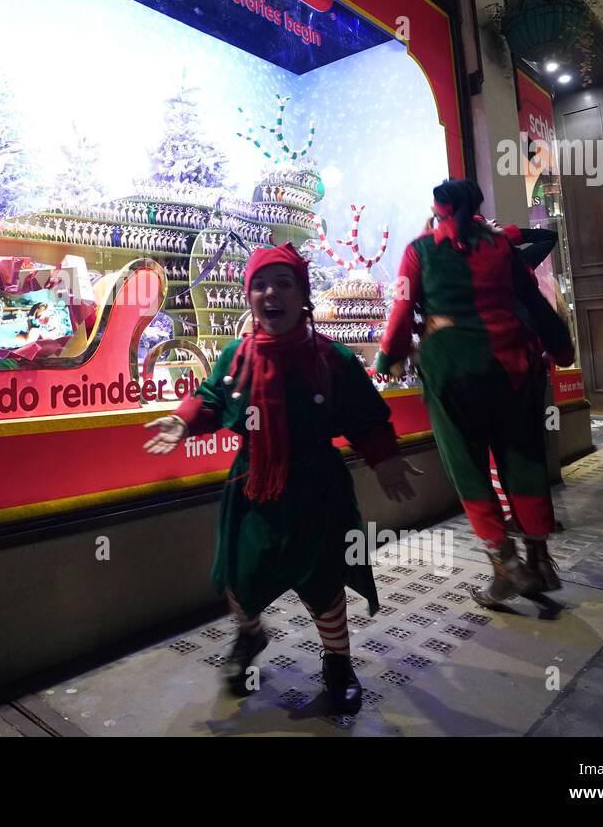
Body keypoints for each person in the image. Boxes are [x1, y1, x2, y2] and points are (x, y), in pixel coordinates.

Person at [142, 243, 422, 714]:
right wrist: (185, 420)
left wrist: (385, 456)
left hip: (316, 488)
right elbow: (212, 398)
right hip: (252, 487)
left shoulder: (331, 359)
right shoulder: (237, 357)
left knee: (323, 583)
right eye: (260, 285)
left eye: (283, 284)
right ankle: (250, 636)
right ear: (249, 295)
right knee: (238, 576)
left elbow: (366, 417)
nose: (270, 293)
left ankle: (338, 664)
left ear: (303, 295)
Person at [375, 179, 575, 609]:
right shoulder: (502, 247)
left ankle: (507, 563)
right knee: (523, 457)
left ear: (437, 209)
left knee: (467, 466)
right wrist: (560, 344)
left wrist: (386, 358)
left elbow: (401, 310)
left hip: (451, 372)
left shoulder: (419, 250)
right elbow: (534, 302)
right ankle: (539, 560)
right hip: (512, 367)